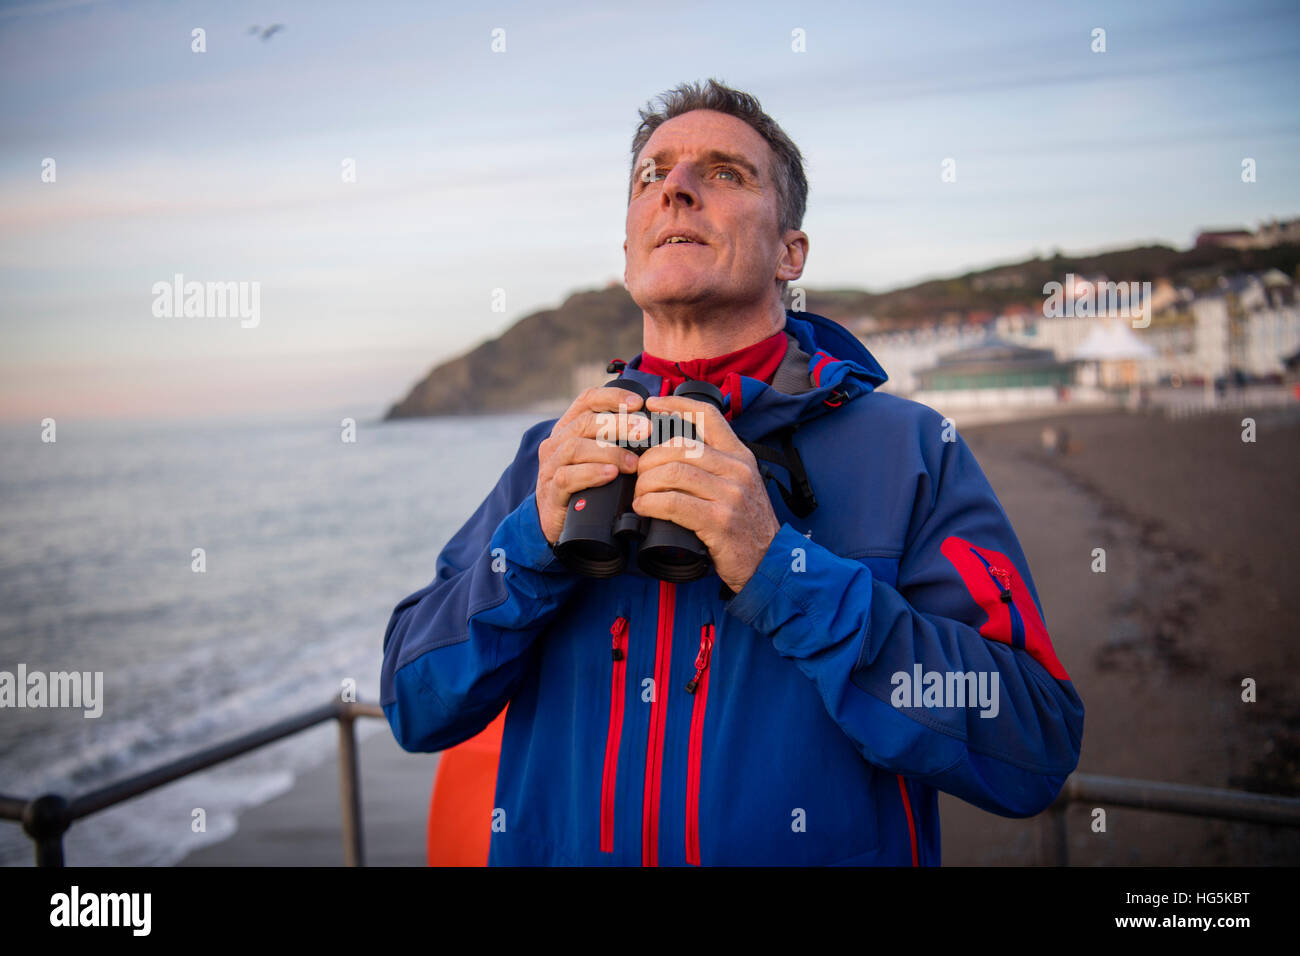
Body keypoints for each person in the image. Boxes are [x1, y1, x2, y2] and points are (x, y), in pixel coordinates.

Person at [380, 79, 1084, 866]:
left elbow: (1033, 740)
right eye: (653, 176)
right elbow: (414, 704)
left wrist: (780, 570)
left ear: (792, 252)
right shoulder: (554, 455)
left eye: (723, 173)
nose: (675, 188)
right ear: (627, 249)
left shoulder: (910, 449)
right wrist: (532, 548)